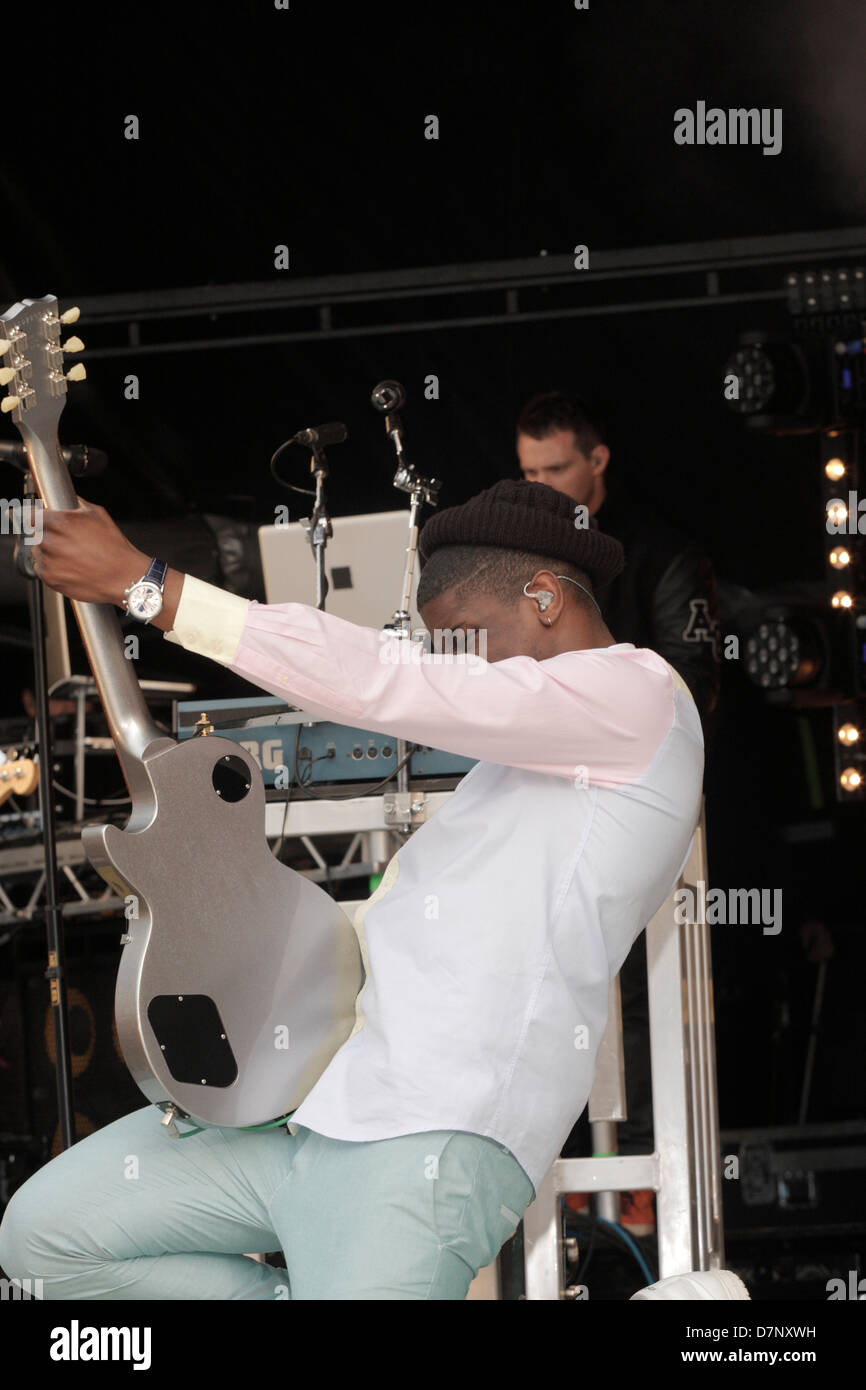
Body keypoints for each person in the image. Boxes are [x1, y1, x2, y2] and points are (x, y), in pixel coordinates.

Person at [0, 480, 703, 1300]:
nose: (455, 668)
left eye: (463, 642)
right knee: (45, 1238)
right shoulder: (515, 773)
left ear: (544, 598)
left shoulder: (639, 695)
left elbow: (393, 682)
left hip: (428, 1135)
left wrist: (147, 585)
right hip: (311, 1111)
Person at [516, 391, 720, 1238]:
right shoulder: (522, 558)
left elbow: (688, 696)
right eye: (528, 472)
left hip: (643, 814)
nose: (541, 485)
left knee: (644, 998)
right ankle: (556, 1194)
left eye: (556, 468)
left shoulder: (661, 552)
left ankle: (644, 1204)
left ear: (597, 462)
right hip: (551, 814)